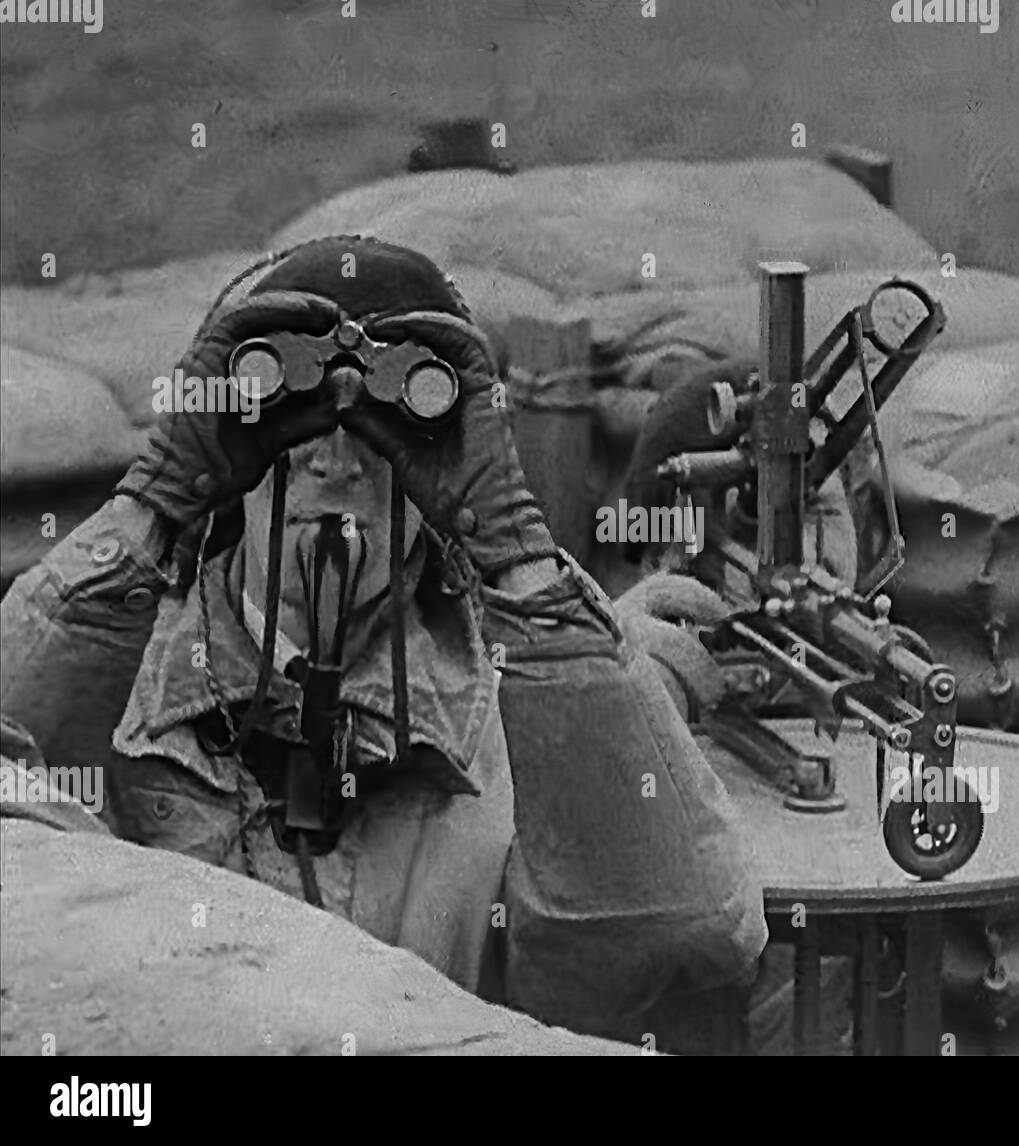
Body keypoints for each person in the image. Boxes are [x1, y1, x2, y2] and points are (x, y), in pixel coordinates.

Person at [0, 237, 766, 1054]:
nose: (336, 455)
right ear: (224, 438)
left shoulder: (512, 714)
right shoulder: (119, 675)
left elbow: (670, 937)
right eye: (289, 417)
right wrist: (150, 503)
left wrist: (520, 557)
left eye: (384, 423)